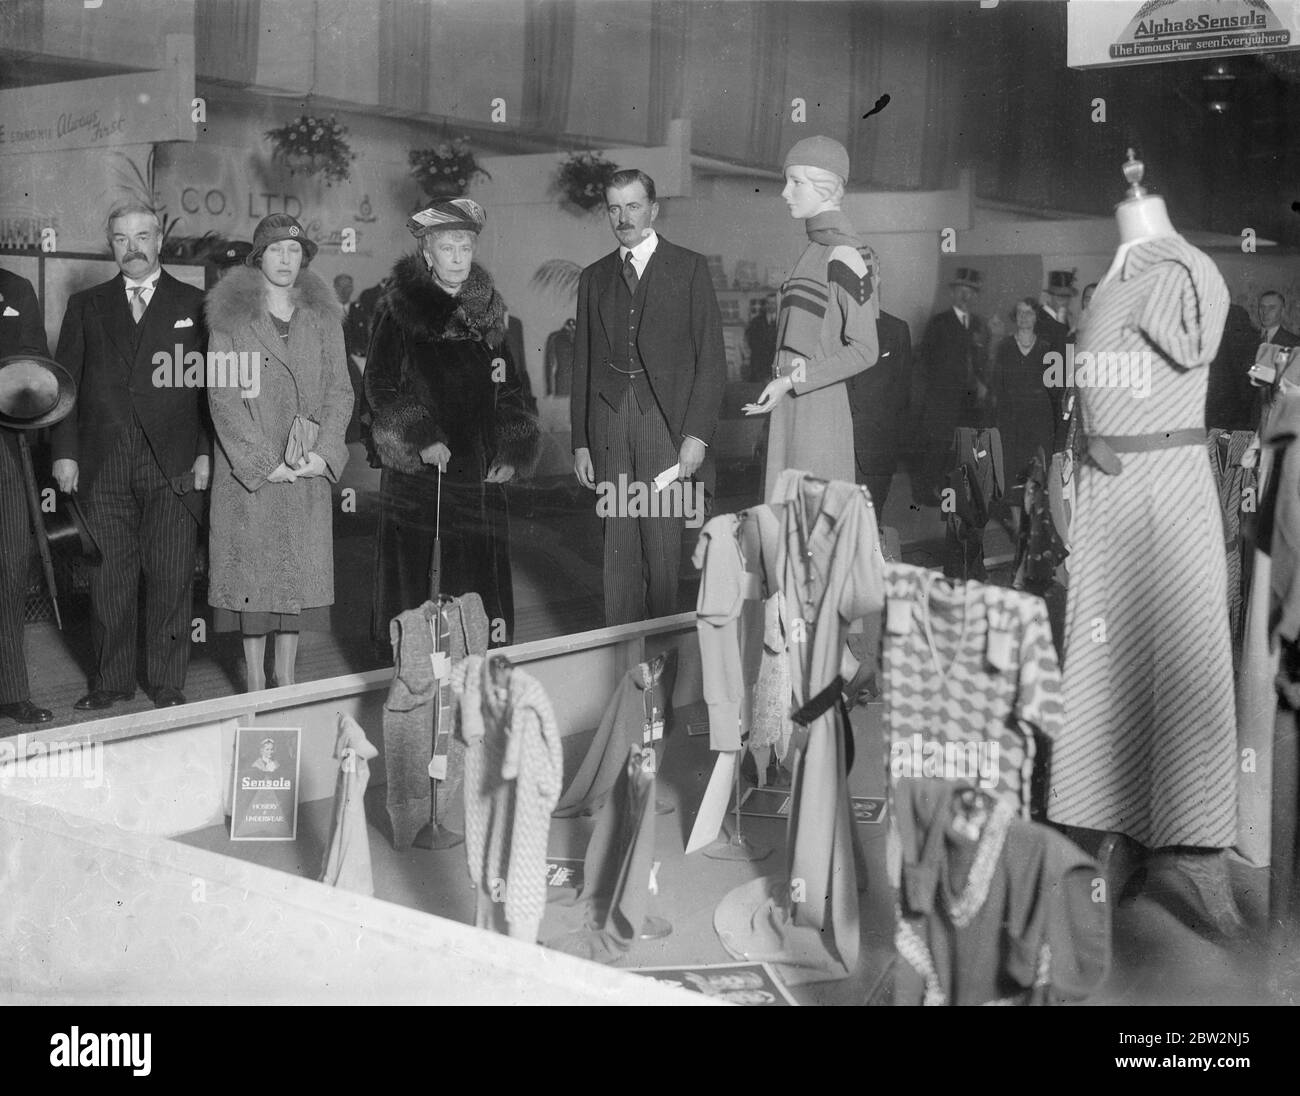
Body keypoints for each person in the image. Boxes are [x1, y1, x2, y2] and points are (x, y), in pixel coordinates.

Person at [52, 202, 211, 711]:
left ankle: (167, 682)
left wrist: (206, 453)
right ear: (111, 244)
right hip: (104, 461)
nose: (133, 247)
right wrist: (65, 454)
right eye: (122, 238)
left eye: (143, 236)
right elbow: (64, 386)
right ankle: (111, 683)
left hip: (175, 460)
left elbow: (211, 390)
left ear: (160, 240)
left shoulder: (196, 303)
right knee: (110, 579)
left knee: (170, 574)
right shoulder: (86, 303)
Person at [366, 198, 539, 651]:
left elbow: (513, 389)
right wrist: (421, 439)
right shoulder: (398, 312)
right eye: (448, 248)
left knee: (479, 589)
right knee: (419, 587)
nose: (459, 258)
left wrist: (511, 451)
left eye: (465, 247)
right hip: (422, 479)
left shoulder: (488, 315)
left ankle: (477, 684)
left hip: (479, 475)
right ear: (427, 254)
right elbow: (379, 386)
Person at [204, 214, 353, 693]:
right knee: (254, 583)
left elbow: (341, 392)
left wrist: (324, 455)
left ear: (304, 259)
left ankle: (285, 678)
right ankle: (252, 681)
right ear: (258, 258)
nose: (286, 261)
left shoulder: (324, 318)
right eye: (276, 251)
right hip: (251, 474)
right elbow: (222, 398)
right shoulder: (231, 318)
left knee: (295, 581)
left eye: (294, 252)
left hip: (306, 468)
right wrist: (267, 464)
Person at [571, 168, 726, 625]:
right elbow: (583, 363)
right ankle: (624, 665)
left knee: (662, 549)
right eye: (615, 208)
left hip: (665, 425)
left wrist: (697, 435)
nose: (624, 217)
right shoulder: (594, 276)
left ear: (653, 210)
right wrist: (581, 440)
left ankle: (664, 664)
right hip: (610, 424)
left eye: (633, 206)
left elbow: (712, 360)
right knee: (617, 549)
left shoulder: (689, 267)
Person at [744, 137, 880, 502]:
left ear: (826, 185)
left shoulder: (845, 255)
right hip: (792, 405)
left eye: (796, 182)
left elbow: (866, 350)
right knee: (786, 526)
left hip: (818, 410)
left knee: (811, 529)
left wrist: (790, 382)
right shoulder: (814, 251)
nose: (786, 192)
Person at [0, 267, 56, 725]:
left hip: (5, 442)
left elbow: (37, 362)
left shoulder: (16, 288)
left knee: (10, 568)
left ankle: (12, 691)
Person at [917, 268, 989, 502]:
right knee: (938, 445)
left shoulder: (979, 325)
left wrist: (981, 384)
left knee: (962, 447)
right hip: (942, 398)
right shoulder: (939, 323)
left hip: (969, 401)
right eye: (961, 291)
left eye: (970, 292)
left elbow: (982, 361)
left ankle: (951, 490)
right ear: (952, 294)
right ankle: (926, 492)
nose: (965, 297)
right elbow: (925, 362)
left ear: (976, 296)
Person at [990, 298, 1055, 516]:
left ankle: (1034, 524)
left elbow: (1054, 389)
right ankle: (1018, 527)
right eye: (1020, 312)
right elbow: (997, 387)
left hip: (1039, 422)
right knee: (1013, 472)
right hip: (1012, 422)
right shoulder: (1005, 347)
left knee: (1036, 472)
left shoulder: (1047, 348)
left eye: (1029, 313)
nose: (1024, 317)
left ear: (1037, 317)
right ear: (1014, 317)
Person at [845, 307, 911, 515]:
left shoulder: (895, 329)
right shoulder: (826, 324)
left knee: (869, 524)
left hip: (875, 449)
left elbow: (902, 393)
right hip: (833, 447)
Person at [744, 294, 777, 382]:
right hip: (759, 364)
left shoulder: (782, 321)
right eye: (768, 303)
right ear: (765, 305)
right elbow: (751, 341)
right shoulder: (756, 321)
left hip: (776, 363)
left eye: (774, 303)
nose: (771, 305)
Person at [544, 317, 576, 397]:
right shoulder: (554, 337)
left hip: (567, 385)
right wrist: (550, 390)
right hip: (563, 385)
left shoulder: (554, 336)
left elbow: (549, 365)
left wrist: (550, 391)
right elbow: (550, 364)